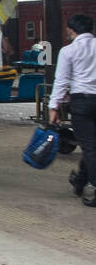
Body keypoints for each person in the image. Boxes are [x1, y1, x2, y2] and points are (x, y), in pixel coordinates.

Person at [48, 14, 96, 207]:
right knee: (91, 146)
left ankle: (93, 187)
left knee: (90, 147)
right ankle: (79, 180)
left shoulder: (68, 51)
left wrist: (54, 107)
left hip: (81, 103)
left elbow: (61, 81)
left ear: (71, 30)